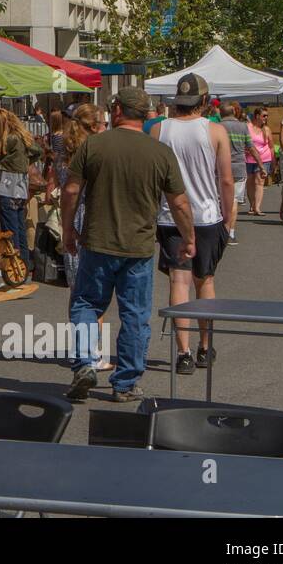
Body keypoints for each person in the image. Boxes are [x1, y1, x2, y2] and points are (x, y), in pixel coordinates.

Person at [60, 86, 194, 403]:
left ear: (117, 110)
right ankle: (125, 383)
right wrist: (188, 238)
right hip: (139, 248)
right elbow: (179, 204)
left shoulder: (94, 145)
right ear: (145, 114)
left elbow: (70, 191)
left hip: (97, 242)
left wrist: (68, 229)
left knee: (86, 305)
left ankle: (84, 364)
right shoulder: (160, 152)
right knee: (134, 315)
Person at [150, 74, 234, 375]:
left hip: (171, 215)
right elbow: (225, 179)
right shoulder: (215, 131)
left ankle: (183, 352)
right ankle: (204, 345)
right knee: (205, 281)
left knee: (179, 282)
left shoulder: (159, 130)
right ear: (204, 100)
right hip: (207, 215)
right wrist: (230, 217)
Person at [59, 103, 112, 370]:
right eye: (103, 123)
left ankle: (79, 348)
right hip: (89, 219)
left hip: (69, 217)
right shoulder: (95, 151)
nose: (106, 127)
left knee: (77, 291)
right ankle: (93, 352)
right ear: (93, 126)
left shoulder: (65, 148)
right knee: (94, 291)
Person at [0, 108, 42, 268]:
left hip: (6, 187)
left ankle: (14, 265)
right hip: (20, 188)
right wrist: (25, 162)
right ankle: (23, 264)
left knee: (9, 231)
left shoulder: (8, 140)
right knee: (19, 228)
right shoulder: (22, 137)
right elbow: (38, 151)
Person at [220, 101, 250, 244]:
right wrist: (261, 165)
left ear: (221, 113)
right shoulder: (243, 126)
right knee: (234, 201)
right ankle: (230, 233)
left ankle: (221, 230)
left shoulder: (217, 127)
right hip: (239, 166)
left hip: (221, 167)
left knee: (220, 199)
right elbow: (251, 147)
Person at [245, 107, 274, 215]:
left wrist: (273, 160)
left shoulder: (266, 129)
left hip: (264, 159)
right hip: (248, 158)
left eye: (267, 116)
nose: (266, 118)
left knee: (259, 182)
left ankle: (257, 207)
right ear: (257, 116)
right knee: (250, 182)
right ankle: (252, 205)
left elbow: (271, 146)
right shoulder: (248, 127)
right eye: (264, 115)